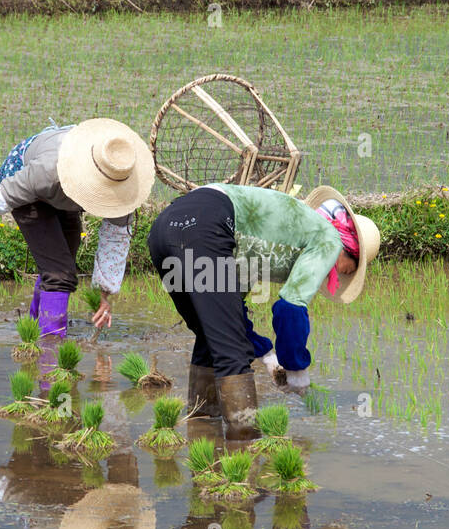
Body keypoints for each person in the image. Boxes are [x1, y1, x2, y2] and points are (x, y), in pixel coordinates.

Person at [147, 182, 379, 437]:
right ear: (350, 248)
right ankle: (245, 446)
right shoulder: (330, 239)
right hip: (208, 222)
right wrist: (296, 370)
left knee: (212, 335)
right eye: (351, 268)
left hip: (164, 228)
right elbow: (290, 307)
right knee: (231, 351)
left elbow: (234, 312)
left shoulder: (267, 239)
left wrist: (266, 353)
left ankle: (203, 433)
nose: (344, 274)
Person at [0, 119, 155, 338]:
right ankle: (50, 348)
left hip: (60, 193)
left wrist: (104, 295)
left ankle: (33, 328)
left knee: (63, 258)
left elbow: (115, 239)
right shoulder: (47, 171)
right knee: (60, 274)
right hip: (30, 187)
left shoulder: (124, 184)